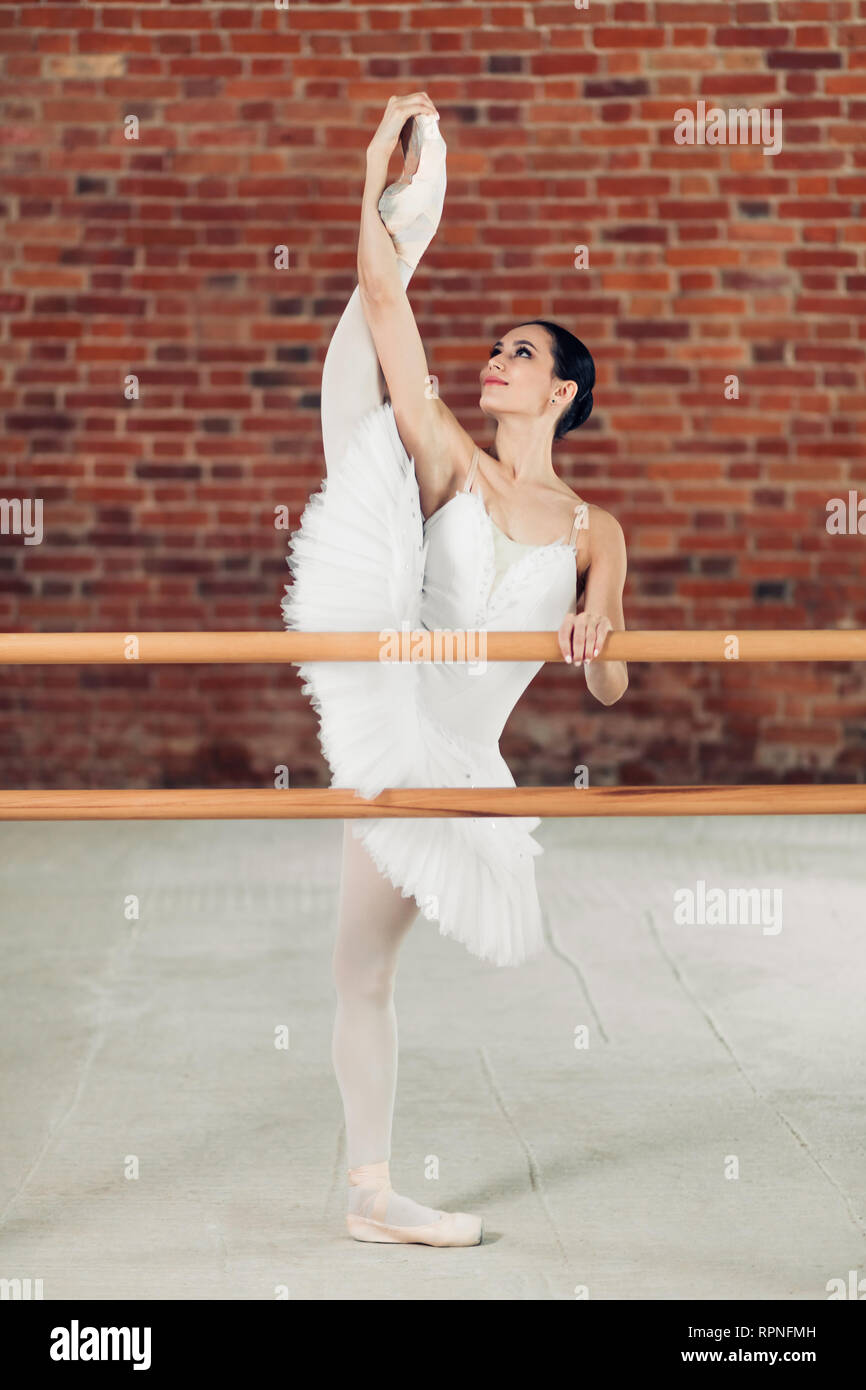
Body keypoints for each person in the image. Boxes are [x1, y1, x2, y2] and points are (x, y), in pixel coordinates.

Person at [282, 93, 629, 1247]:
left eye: (519, 354)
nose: (496, 361)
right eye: (493, 348)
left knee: (363, 968)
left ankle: (371, 1194)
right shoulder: (448, 458)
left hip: (466, 764)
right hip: (399, 730)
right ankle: (373, 1195)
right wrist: (374, 182)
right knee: (359, 970)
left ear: (563, 392)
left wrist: (594, 647)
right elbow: (385, 304)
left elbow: (612, 679)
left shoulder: (592, 527)